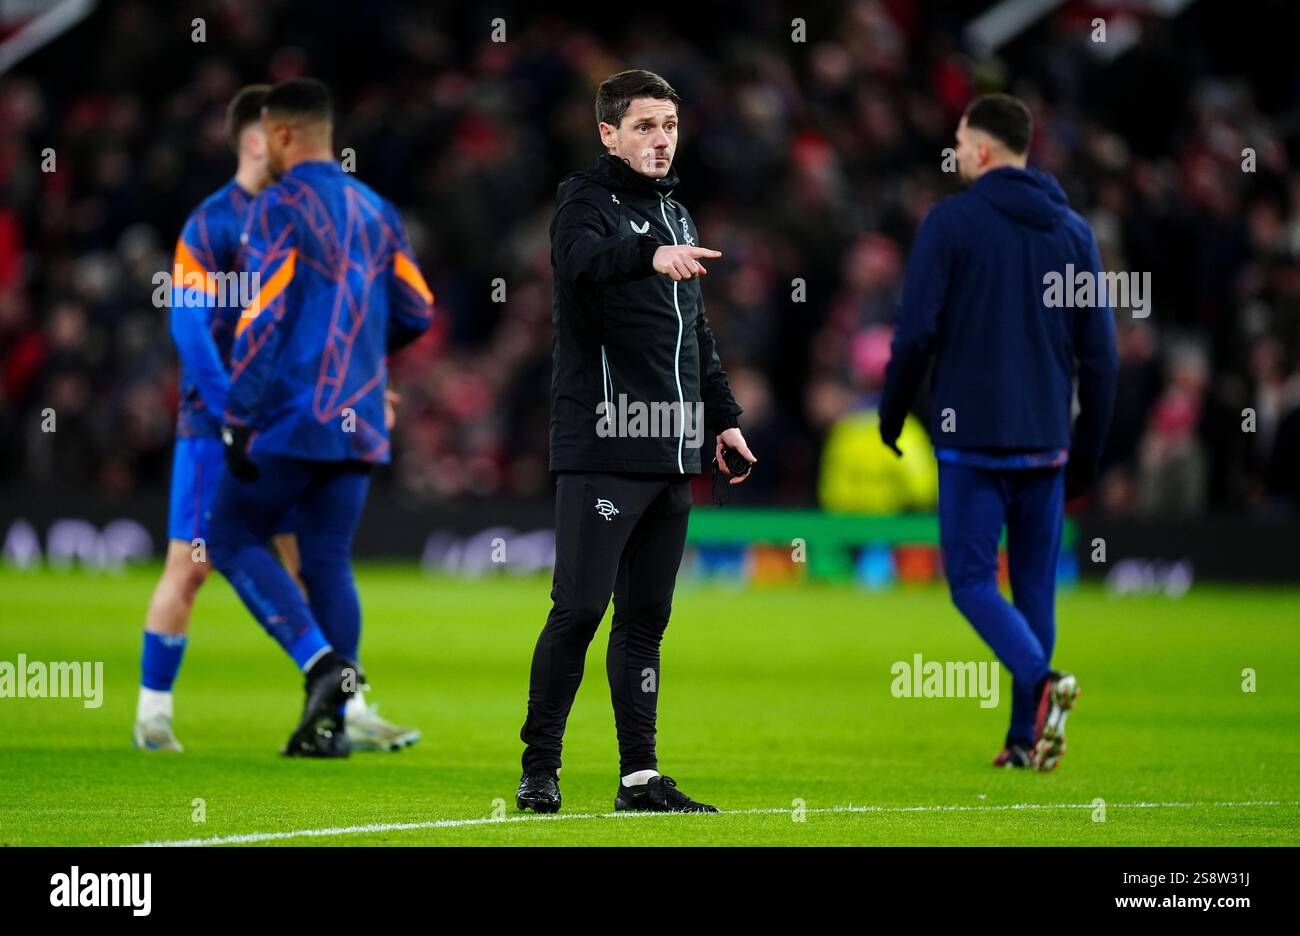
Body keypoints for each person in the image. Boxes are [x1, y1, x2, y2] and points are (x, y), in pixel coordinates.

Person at [515, 69, 754, 813]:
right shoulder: (583, 202)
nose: (661, 139)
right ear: (608, 134)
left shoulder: (678, 217)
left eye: (670, 126)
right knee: (580, 611)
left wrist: (724, 419)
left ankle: (640, 776)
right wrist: (644, 254)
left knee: (645, 624)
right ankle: (540, 766)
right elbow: (579, 264)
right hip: (605, 443)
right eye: (645, 125)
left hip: (673, 449)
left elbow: (697, 339)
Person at [879, 93, 1118, 771]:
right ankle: (1022, 742)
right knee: (1034, 590)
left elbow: (916, 330)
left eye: (958, 138)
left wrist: (893, 414)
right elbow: (1100, 356)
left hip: (972, 440)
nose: (952, 150)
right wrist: (1089, 452)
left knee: (972, 582)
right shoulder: (1073, 232)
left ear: (983, 150)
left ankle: (1044, 686)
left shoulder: (950, 223)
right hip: (1047, 444)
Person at [207, 78, 434, 757]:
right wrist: (368, 357)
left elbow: (264, 310)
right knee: (328, 560)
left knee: (227, 532)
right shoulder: (376, 207)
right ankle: (334, 725)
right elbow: (418, 309)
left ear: (280, 135)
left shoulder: (277, 205)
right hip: (360, 416)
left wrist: (238, 413)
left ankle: (321, 666)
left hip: (293, 411)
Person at [135, 85, 285, 752]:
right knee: (190, 564)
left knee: (304, 558)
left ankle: (342, 702)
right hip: (213, 424)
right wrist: (231, 409)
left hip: (282, 423)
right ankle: (152, 713)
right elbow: (189, 327)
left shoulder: (294, 219)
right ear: (254, 140)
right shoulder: (210, 223)